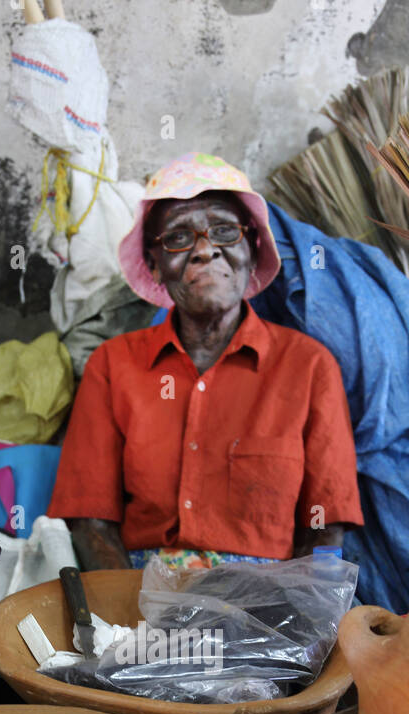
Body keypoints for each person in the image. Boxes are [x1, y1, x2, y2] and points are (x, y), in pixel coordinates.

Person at [47, 152, 362, 572]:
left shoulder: (308, 366)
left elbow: (325, 529)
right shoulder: (113, 365)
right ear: (155, 266)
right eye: (178, 238)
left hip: (268, 605)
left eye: (224, 231)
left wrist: (289, 619)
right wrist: (130, 628)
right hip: (141, 596)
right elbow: (90, 522)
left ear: (251, 249)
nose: (204, 250)